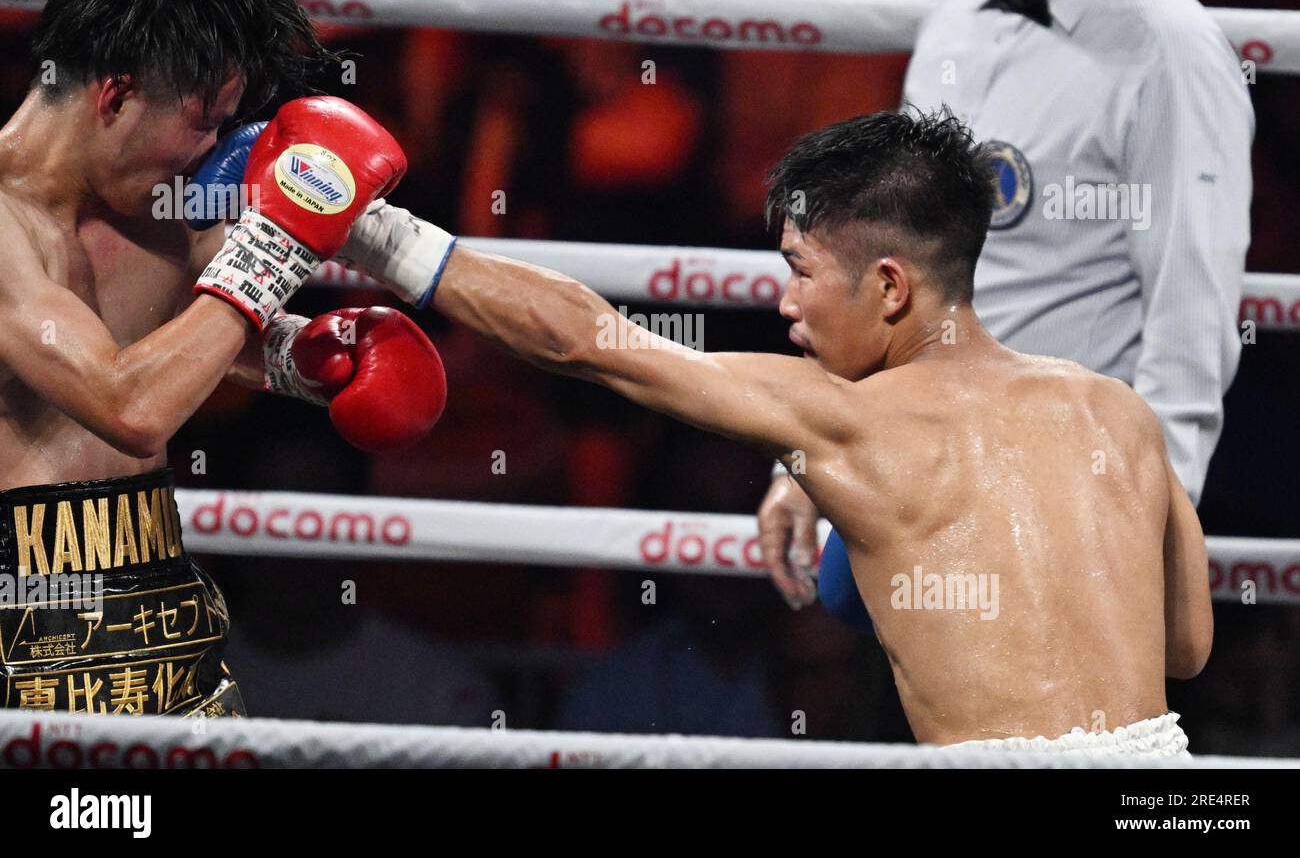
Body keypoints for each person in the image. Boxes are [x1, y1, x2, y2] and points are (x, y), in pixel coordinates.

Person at [336, 108, 1211, 754]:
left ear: (891, 288)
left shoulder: (843, 422)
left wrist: (370, 232)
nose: (785, 305)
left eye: (799, 272)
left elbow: (586, 341)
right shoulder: (1118, 411)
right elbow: (1188, 646)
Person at [0, 0, 440, 717]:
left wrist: (295, 357)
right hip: (23, 625)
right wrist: (275, 242)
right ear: (116, 95)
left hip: (163, 616)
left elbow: (186, 342)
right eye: (202, 122)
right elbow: (128, 405)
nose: (212, 151)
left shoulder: (154, 203)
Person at [759, 0, 1254, 620]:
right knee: (863, 645)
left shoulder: (1172, 53)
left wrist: (1142, 535)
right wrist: (810, 455)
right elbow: (886, 252)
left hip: (1057, 491)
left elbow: (1191, 325)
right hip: (917, 463)